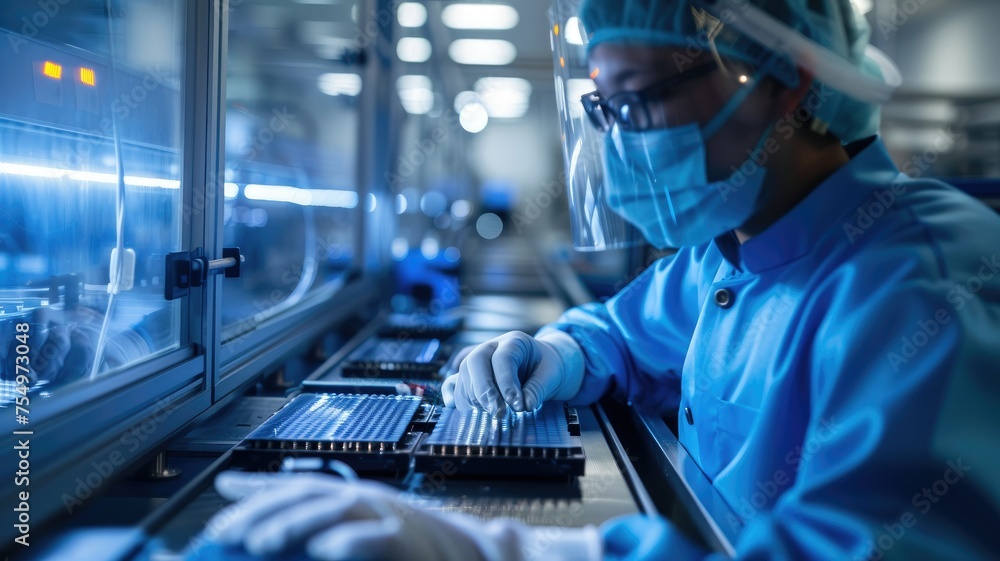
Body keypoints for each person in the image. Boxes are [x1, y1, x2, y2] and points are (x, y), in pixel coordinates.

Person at [205, 0, 1000, 559]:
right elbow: (622, 332)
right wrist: (557, 351)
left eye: (640, 102)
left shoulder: (919, 283)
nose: (622, 144)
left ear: (783, 83)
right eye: (604, 110)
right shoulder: (728, 248)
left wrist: (512, 553)